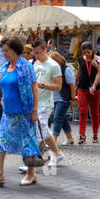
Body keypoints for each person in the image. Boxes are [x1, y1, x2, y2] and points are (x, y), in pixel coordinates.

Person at [0, 36, 43, 187]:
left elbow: (34, 89)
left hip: (24, 112)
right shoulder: (5, 67)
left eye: (6, 50)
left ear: (14, 50)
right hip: (8, 112)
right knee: (0, 139)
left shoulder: (26, 67)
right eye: (2, 50)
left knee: (27, 142)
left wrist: (35, 111)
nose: (3, 53)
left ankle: (31, 174)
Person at [28, 38, 65, 170]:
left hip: (46, 103)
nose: (36, 55)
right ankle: (58, 153)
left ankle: (30, 161)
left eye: (38, 52)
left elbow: (58, 86)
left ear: (45, 50)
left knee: (38, 131)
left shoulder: (53, 65)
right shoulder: (33, 63)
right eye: (34, 53)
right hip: (34, 103)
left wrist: (41, 85)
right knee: (44, 130)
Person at [74, 41, 100, 145]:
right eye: (84, 52)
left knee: (95, 112)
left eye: (88, 51)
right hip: (82, 88)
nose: (86, 53)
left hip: (95, 89)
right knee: (83, 111)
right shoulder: (81, 59)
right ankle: (82, 135)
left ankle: (95, 134)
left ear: (92, 50)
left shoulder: (98, 59)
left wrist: (96, 66)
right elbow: (79, 72)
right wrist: (75, 83)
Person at [48, 50, 76, 147]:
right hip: (54, 98)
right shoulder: (52, 70)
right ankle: (70, 138)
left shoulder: (66, 70)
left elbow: (72, 85)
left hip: (64, 98)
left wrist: (73, 99)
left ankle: (53, 140)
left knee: (57, 118)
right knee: (62, 118)